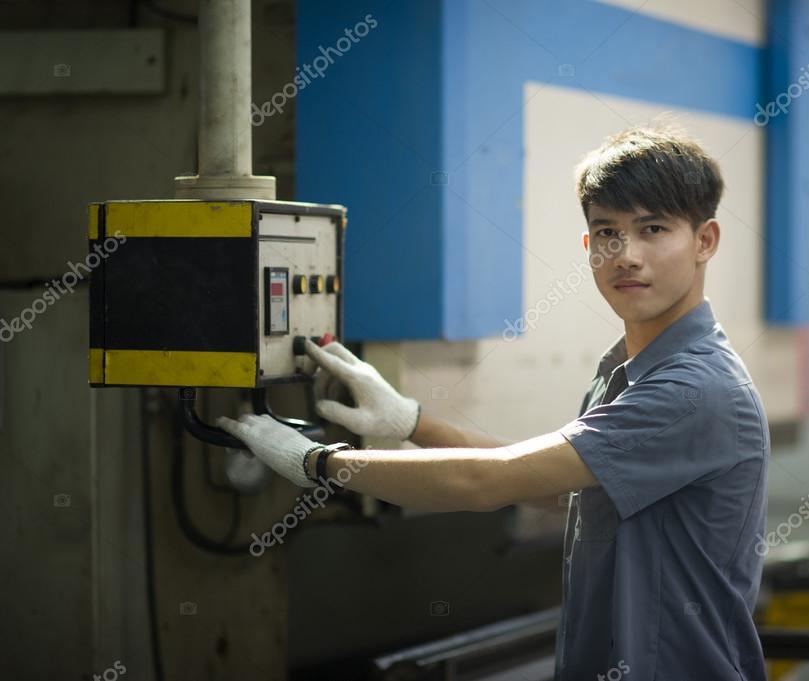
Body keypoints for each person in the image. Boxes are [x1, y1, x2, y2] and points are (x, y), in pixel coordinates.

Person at [219, 123, 770, 680]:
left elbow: (487, 482)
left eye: (653, 228)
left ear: (705, 241)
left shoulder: (694, 388)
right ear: (588, 247)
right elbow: (556, 484)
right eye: (607, 232)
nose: (625, 255)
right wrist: (409, 420)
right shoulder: (626, 373)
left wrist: (316, 462)